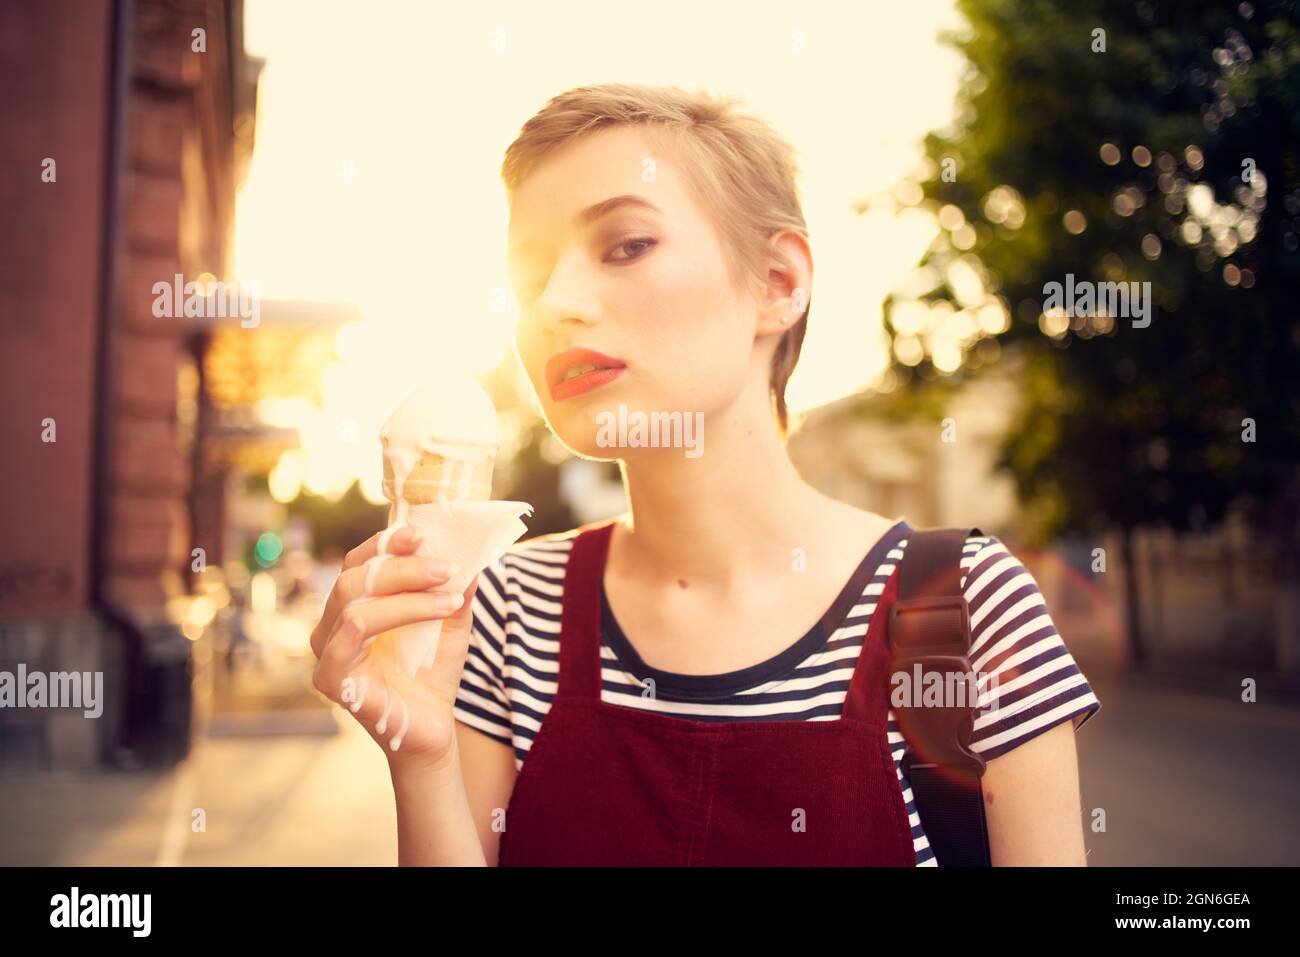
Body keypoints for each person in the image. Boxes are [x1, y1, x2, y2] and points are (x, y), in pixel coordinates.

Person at [309, 83, 1101, 866]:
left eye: (626, 244)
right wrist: (422, 760)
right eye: (530, 273)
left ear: (778, 282)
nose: (554, 303)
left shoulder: (961, 612)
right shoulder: (507, 612)